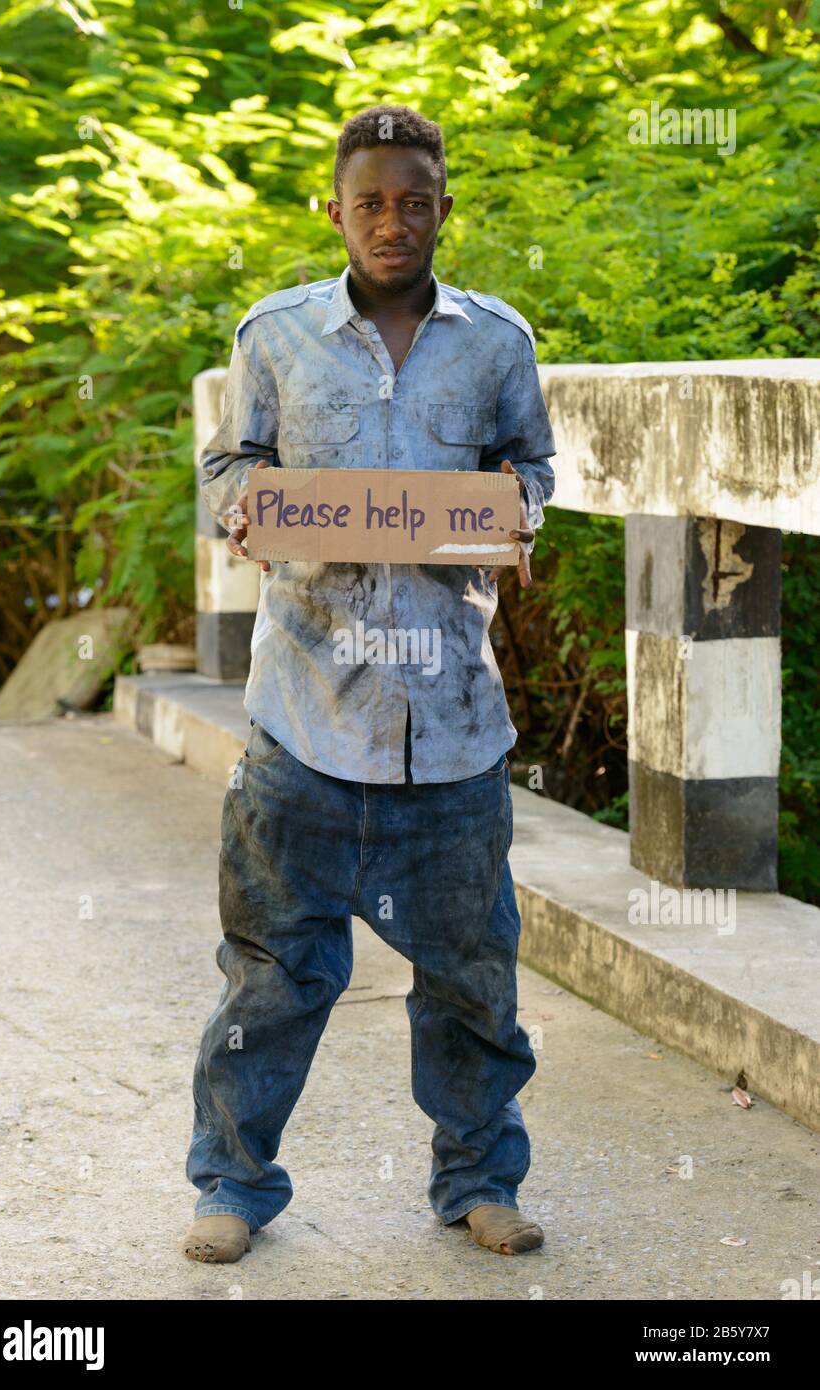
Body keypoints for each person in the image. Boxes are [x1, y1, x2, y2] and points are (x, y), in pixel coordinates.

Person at [181, 105, 557, 1263]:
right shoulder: (276, 336)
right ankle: (233, 1189)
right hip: (304, 724)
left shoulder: (498, 343)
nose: (392, 220)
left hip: (450, 731)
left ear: (445, 206)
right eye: (370, 201)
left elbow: (530, 466)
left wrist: (517, 514)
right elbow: (229, 460)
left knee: (472, 981)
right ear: (335, 211)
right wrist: (248, 501)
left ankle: (478, 1178)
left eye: (414, 199)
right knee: (271, 982)